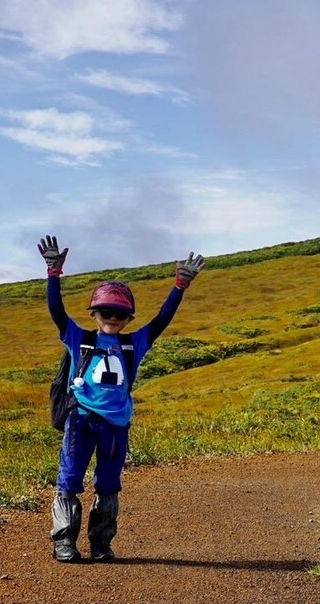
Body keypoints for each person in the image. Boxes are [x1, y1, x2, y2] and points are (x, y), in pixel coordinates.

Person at [38, 236, 204, 562]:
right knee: (69, 478)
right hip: (81, 420)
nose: (112, 317)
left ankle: (101, 545)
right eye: (105, 311)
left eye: (119, 313)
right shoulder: (79, 339)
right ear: (94, 314)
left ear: (128, 318)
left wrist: (180, 287)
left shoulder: (134, 344)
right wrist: (53, 274)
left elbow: (161, 321)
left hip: (116, 426)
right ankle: (64, 543)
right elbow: (57, 313)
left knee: (109, 484)